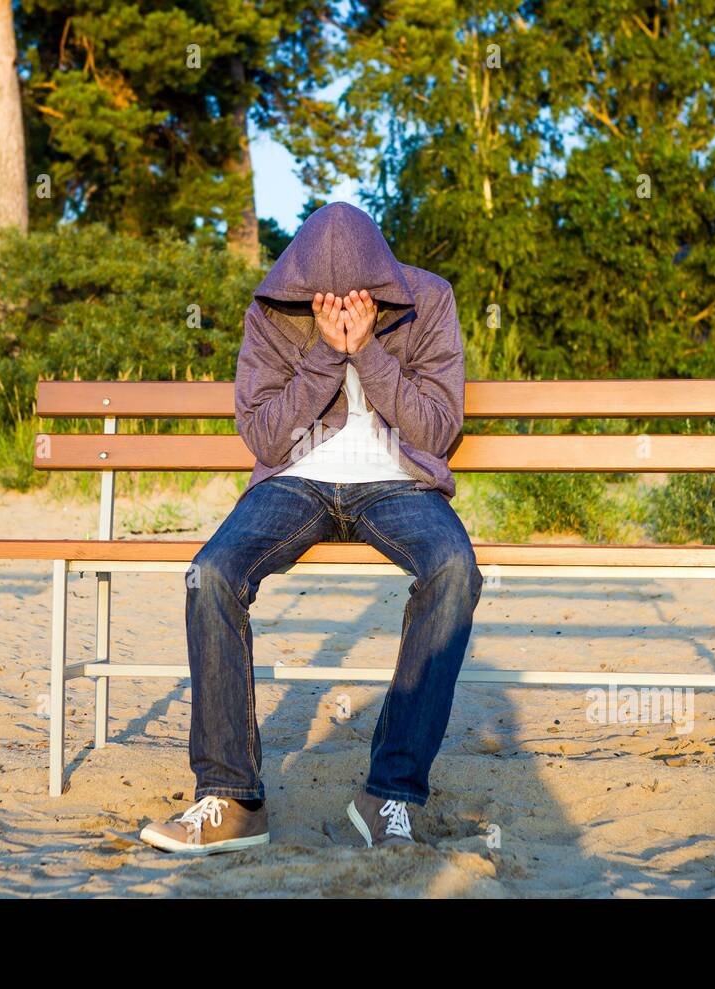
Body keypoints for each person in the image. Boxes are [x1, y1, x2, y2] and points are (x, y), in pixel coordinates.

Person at [139, 202, 481, 854]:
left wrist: (370, 351)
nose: (342, 306)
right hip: (295, 479)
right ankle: (231, 797)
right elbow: (265, 434)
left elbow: (437, 430)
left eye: (359, 296)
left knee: (455, 568)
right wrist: (327, 354)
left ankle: (391, 794)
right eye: (324, 298)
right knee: (211, 572)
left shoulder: (429, 300)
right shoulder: (272, 311)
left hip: (398, 482)